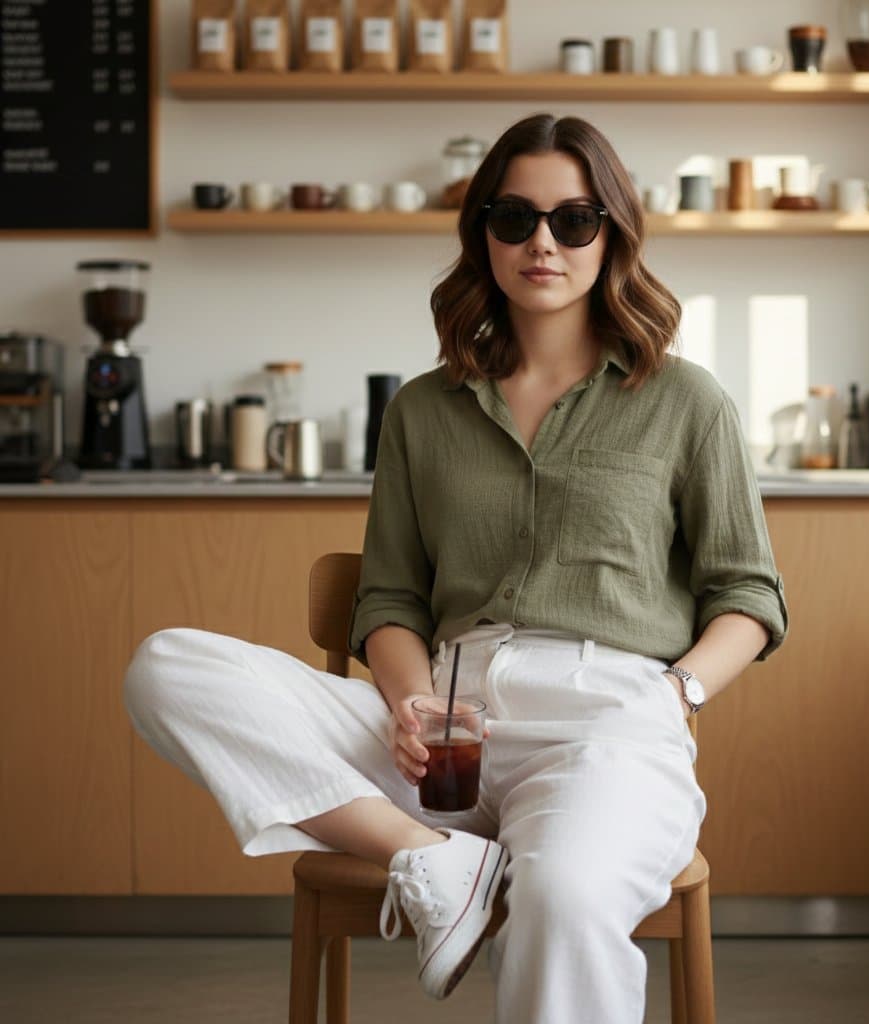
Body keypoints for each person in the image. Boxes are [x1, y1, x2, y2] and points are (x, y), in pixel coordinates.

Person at [123, 113, 788, 1024]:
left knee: (564, 900)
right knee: (168, 667)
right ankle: (432, 856)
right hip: (443, 735)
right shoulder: (423, 412)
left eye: (573, 220)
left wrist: (678, 694)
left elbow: (747, 593)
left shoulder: (685, 400)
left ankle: (463, 858)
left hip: (606, 727)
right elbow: (389, 595)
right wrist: (410, 705)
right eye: (514, 218)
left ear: (614, 232)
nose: (541, 243)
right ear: (484, 233)